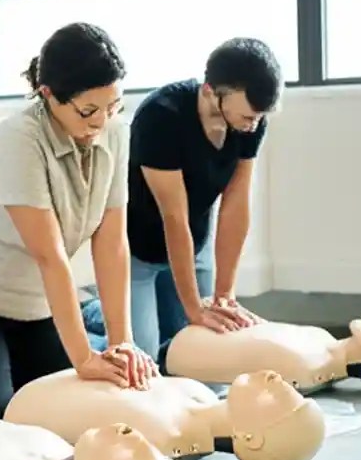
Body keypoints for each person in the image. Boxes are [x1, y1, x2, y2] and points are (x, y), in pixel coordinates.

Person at [0, 23, 158, 419]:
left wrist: (123, 343)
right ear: (48, 94)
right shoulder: (19, 137)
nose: (101, 122)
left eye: (113, 107)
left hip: (34, 311)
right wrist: (83, 358)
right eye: (88, 111)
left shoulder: (115, 133)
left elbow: (112, 243)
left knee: (70, 411)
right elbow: (50, 256)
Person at [88, 38, 283, 357]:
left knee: (201, 355)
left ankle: (140, 314)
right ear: (211, 90)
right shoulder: (161, 116)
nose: (254, 125)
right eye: (248, 116)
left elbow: (235, 206)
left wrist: (224, 295)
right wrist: (194, 308)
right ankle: (95, 313)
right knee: (144, 355)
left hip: (194, 246)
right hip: (137, 251)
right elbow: (173, 218)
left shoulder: (249, 124)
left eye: (259, 117)